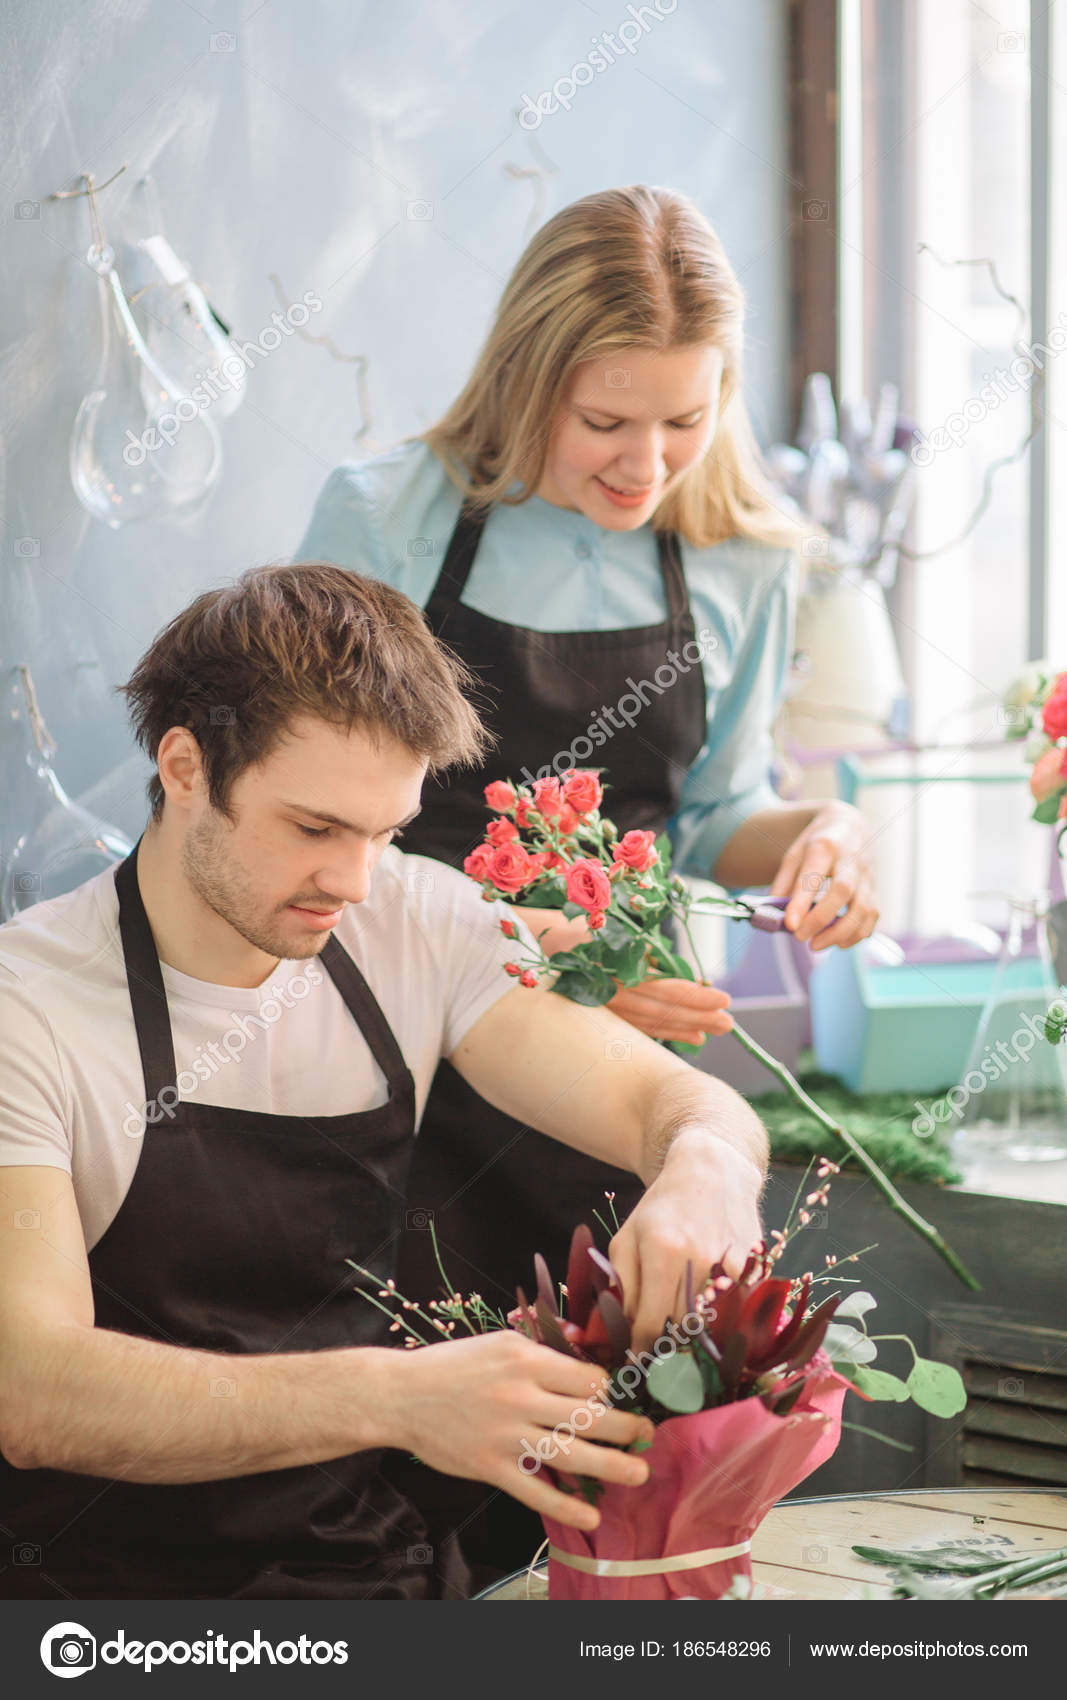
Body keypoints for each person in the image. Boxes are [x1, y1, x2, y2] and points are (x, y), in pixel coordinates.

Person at [0, 563, 770, 1603]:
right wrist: (395, 1398)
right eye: (314, 828)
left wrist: (706, 1169)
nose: (354, 882)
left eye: (386, 832)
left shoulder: (415, 921)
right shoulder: (27, 1006)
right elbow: (34, 1390)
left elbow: (668, 1104)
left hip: (368, 1577)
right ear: (184, 767)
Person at [294, 186, 877, 1355]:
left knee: (613, 1418)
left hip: (614, 1098)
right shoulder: (384, 520)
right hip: (387, 1075)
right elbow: (303, 833)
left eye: (684, 419)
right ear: (526, 377)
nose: (644, 465)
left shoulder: (743, 557)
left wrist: (831, 833)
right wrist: (528, 961)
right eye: (604, 419)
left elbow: (710, 813)